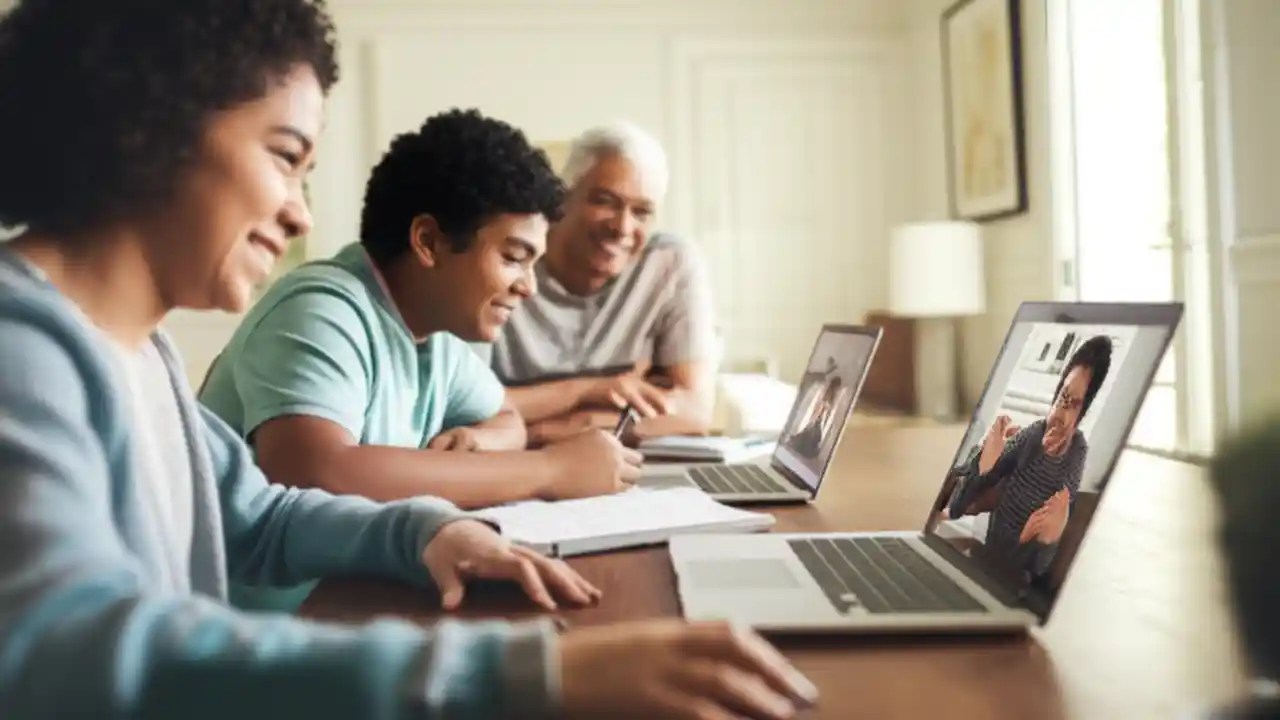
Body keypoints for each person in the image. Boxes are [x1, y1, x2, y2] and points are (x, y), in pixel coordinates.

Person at [0, 2, 817, 718]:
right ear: (150, 125)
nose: (296, 214)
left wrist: (427, 534)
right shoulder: (20, 354)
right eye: (286, 158)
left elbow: (259, 516)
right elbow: (80, 653)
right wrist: (532, 672)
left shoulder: (143, 358)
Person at [200, 109, 640, 511]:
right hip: (272, 599)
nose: (528, 287)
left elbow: (507, 418)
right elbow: (316, 471)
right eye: (513, 257)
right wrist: (551, 470)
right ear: (428, 242)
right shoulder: (320, 311)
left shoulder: (436, 337)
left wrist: (480, 442)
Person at [489, 122, 719, 444]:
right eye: (605, 201)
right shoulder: (509, 255)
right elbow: (469, 407)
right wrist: (592, 390)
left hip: (585, 457)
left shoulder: (669, 263)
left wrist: (567, 425)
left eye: (642, 212)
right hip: (512, 465)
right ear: (563, 198)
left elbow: (693, 409)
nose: (623, 227)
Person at [945, 336, 1113, 581]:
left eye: (1074, 405)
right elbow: (958, 507)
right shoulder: (1032, 435)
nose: (1060, 416)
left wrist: (1046, 540)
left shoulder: (1076, 454)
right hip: (987, 563)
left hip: (1018, 583)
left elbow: (1038, 568)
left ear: (1082, 414)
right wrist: (982, 462)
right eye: (1061, 399)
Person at [784, 376, 845, 461]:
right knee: (810, 435)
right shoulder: (827, 393)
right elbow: (820, 407)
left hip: (819, 420)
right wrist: (816, 416)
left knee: (812, 436)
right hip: (818, 419)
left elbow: (826, 409)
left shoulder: (830, 395)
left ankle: (802, 447)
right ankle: (801, 447)